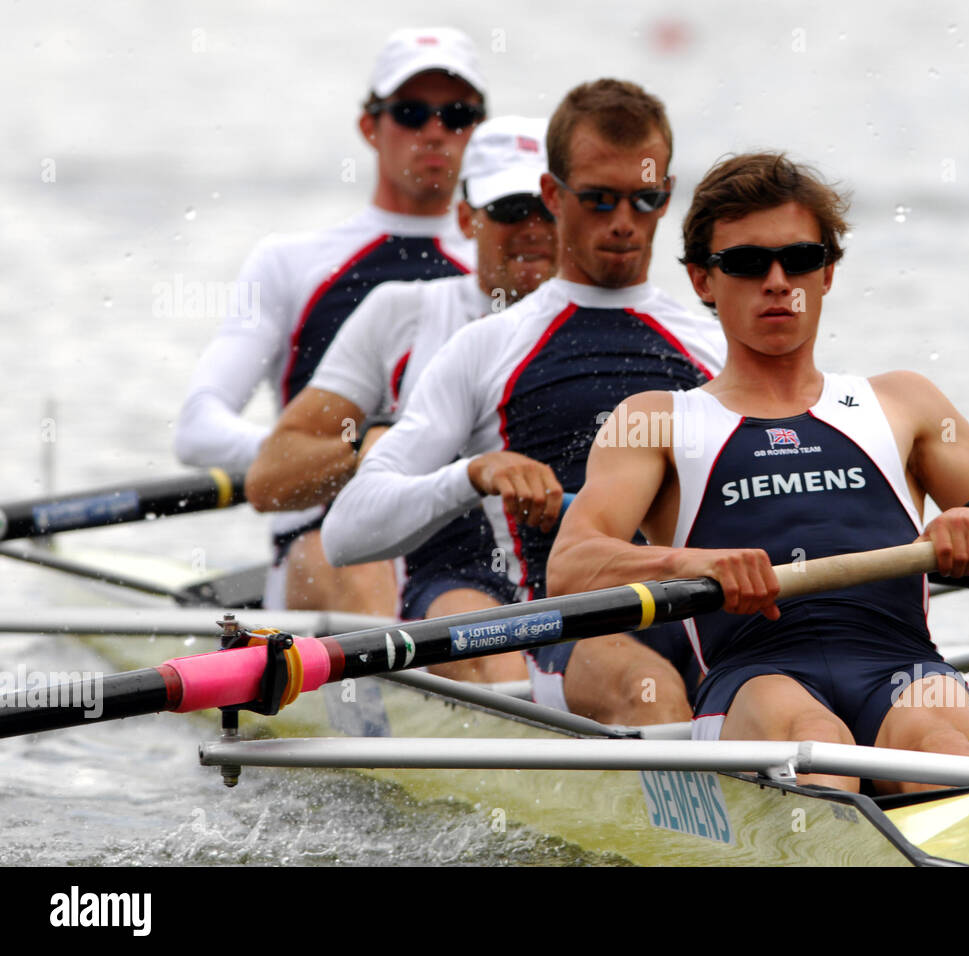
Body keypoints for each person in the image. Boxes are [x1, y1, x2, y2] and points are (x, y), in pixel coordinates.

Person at [546, 152, 969, 792]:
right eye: (747, 263)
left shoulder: (904, 403)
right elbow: (571, 568)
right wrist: (693, 565)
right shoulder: (657, 419)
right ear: (702, 280)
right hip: (757, 677)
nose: (778, 281)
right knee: (820, 750)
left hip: (902, 666)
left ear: (827, 273)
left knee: (940, 742)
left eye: (799, 259)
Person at [321, 79, 726, 723]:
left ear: (666, 197)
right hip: (552, 623)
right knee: (650, 693)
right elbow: (346, 533)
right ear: (553, 196)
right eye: (597, 200)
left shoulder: (716, 343)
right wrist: (472, 473)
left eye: (643, 199)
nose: (623, 223)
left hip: (701, 608)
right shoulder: (487, 347)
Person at [174, 27, 486, 610]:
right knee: (339, 558)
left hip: (467, 548)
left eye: (458, 115)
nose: (436, 133)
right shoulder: (290, 262)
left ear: (479, 132)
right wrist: (341, 457)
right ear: (370, 127)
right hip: (323, 538)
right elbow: (198, 428)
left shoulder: (500, 273)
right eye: (412, 113)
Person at [246, 116, 556, 681]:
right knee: (333, 553)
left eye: (549, 210)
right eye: (512, 211)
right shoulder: (402, 312)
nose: (534, 228)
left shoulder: (618, 327)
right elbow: (269, 481)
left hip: (555, 573)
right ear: (467, 218)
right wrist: (363, 453)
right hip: (419, 575)